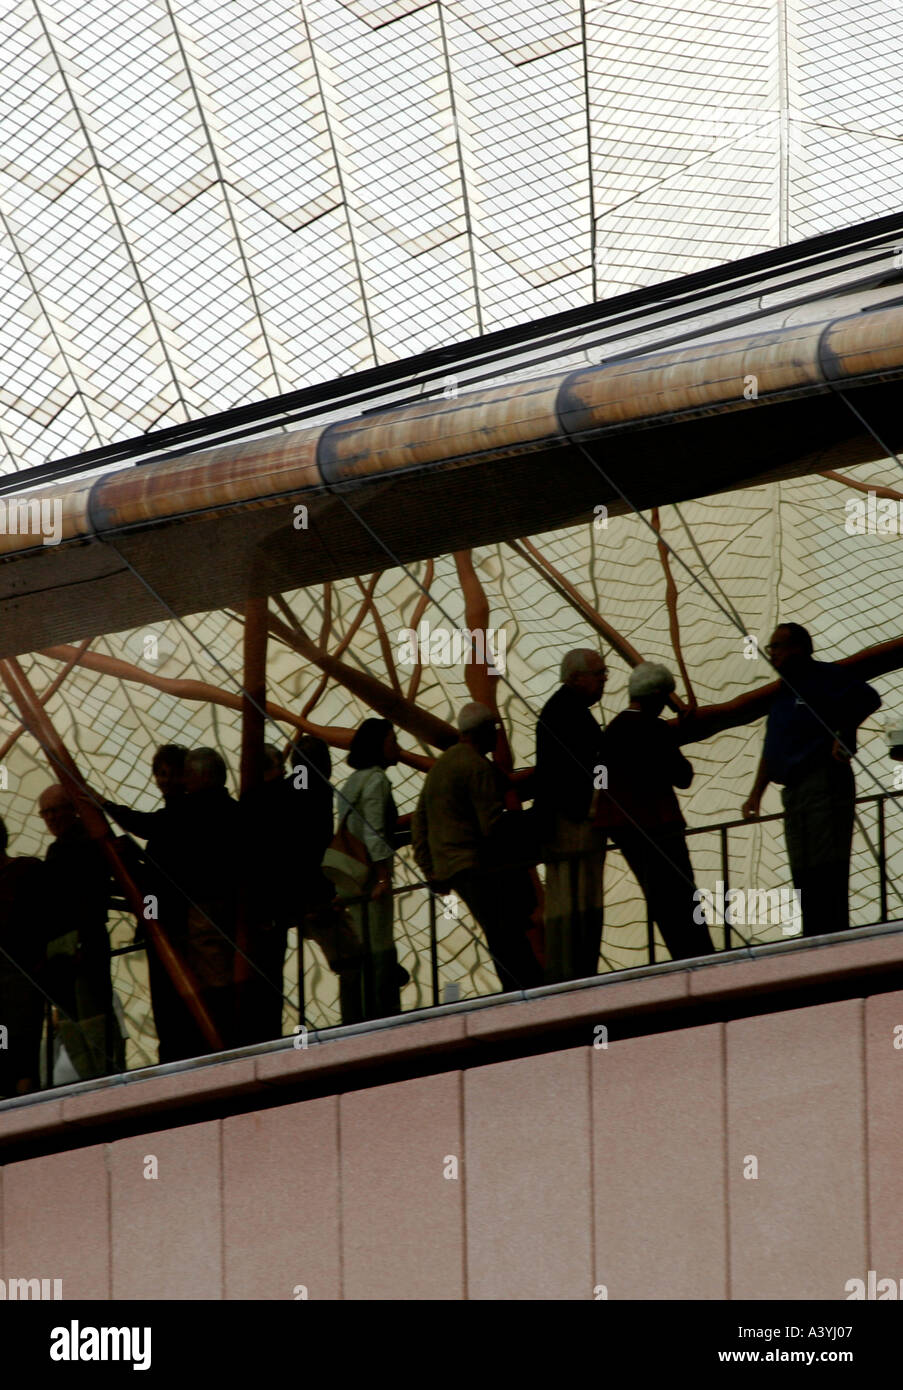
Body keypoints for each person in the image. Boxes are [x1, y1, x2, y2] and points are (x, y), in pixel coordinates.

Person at [742, 623, 881, 936]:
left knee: (825, 868)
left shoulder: (824, 677)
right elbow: (771, 747)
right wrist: (755, 794)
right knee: (803, 871)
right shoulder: (782, 694)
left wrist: (844, 732)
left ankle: (832, 936)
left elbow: (868, 697)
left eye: (776, 646)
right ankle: (814, 936)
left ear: (798, 649)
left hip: (822, 781)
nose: (772, 654)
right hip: (793, 791)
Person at [413, 702, 543, 992]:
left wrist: (430, 869)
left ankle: (516, 989)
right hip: (476, 864)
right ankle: (526, 988)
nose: (497, 737)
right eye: (495, 730)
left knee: (497, 932)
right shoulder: (476, 766)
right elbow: (492, 826)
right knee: (506, 932)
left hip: (450, 867)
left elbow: (419, 823)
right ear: (484, 732)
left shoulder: (442, 766)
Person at [593, 663, 714, 962]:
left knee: (660, 902)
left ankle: (682, 958)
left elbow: (603, 779)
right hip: (660, 826)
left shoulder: (613, 729)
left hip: (626, 831)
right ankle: (701, 959)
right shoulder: (655, 728)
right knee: (683, 899)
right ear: (658, 695)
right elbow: (683, 776)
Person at [103, 744, 189, 1063]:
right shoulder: (179, 814)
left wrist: (105, 805)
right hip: (170, 919)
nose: (165, 780)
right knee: (170, 1001)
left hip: (172, 922)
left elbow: (147, 825)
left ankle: (175, 1054)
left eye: (171, 773)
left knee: (169, 1001)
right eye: (161, 773)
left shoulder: (180, 814)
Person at [39, 784, 122, 1080]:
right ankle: (98, 1077)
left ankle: (102, 1077)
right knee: (78, 1021)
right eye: (46, 812)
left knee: (89, 1018)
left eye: (55, 810)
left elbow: (86, 895)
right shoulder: (73, 844)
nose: (51, 817)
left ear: (71, 809)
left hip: (80, 940)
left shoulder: (82, 843)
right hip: (70, 942)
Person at [535, 649, 608, 983]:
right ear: (576, 677)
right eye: (599, 673)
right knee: (578, 902)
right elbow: (588, 766)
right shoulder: (569, 712)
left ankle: (569, 973)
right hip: (574, 821)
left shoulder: (561, 709)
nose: (605, 679)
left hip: (565, 818)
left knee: (569, 902)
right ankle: (575, 976)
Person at [330, 719, 402, 1024]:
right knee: (379, 947)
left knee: (360, 951)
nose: (396, 747)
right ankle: (381, 1016)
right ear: (378, 746)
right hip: (370, 878)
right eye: (391, 741)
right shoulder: (376, 781)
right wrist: (384, 876)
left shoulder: (352, 782)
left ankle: (356, 1017)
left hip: (349, 876)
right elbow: (374, 831)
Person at [0, 817, 52, 1097]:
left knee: (21, 1049)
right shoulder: (25, 871)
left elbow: (43, 919)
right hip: (19, 973)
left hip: (21, 974)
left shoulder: (26, 872)